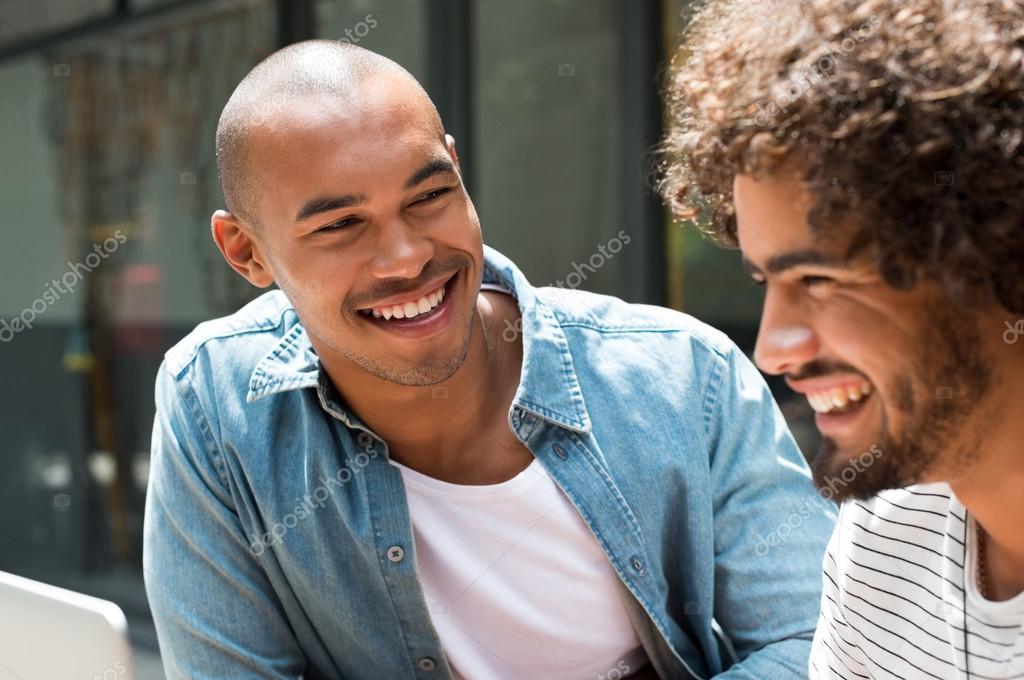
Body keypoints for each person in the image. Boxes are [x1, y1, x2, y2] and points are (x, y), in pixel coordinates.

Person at [143, 39, 832, 679]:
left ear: (457, 169)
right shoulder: (215, 407)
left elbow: (812, 640)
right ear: (246, 251)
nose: (408, 256)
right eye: (342, 225)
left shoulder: (685, 377)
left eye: (430, 195)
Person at [657, 0, 1024, 677]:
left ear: (994, 253)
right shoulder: (887, 531)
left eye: (821, 278)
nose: (772, 351)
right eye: (767, 282)